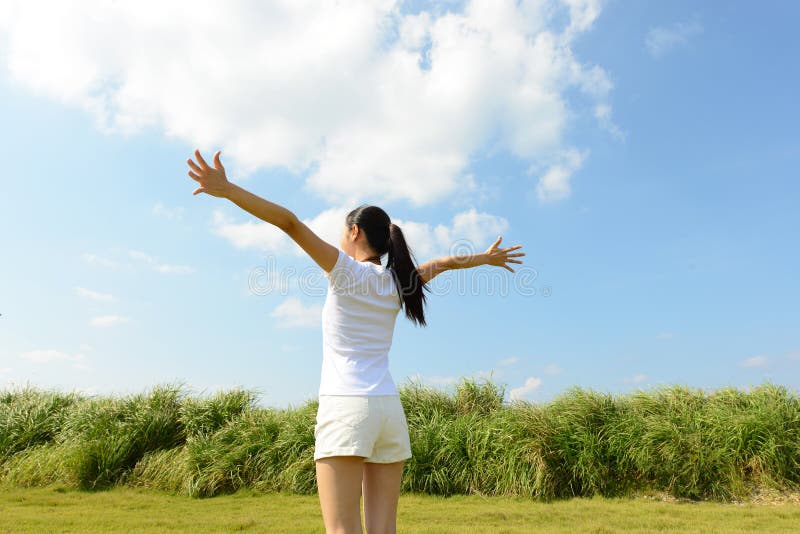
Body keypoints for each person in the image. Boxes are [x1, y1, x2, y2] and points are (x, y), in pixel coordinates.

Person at [187, 149, 525, 533]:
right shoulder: (400, 282)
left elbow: (290, 223)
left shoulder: (346, 272)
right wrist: (484, 258)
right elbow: (444, 264)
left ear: (354, 232)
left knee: (341, 529)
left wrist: (229, 190)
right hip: (388, 412)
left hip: (347, 407)